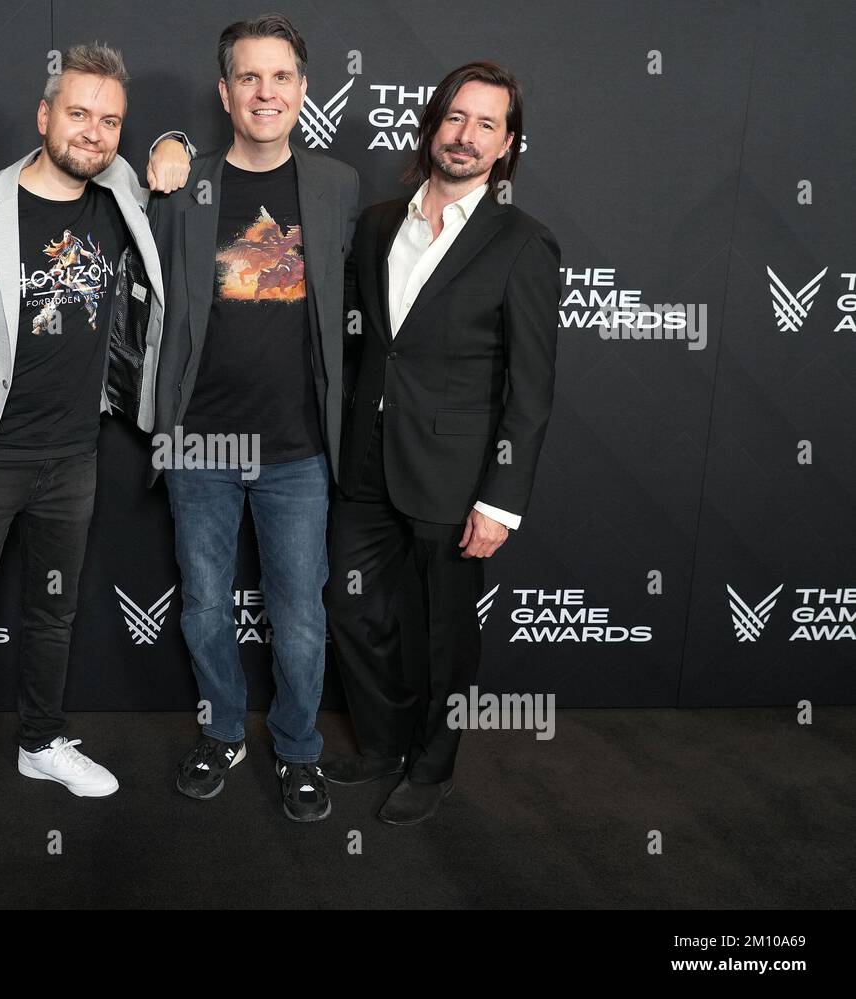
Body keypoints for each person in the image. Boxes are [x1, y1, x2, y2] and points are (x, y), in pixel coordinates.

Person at [0, 43, 192, 876]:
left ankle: (41, 741)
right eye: (78, 113)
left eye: (111, 121)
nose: (94, 132)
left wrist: (178, 147)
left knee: (53, 615)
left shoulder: (120, 185)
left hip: (74, 459)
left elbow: (174, 161)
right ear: (44, 116)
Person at [324, 61, 561, 824]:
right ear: (432, 125)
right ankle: (384, 744)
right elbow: (369, 345)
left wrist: (502, 500)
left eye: (486, 124)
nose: (465, 136)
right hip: (364, 461)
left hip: (458, 478)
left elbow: (531, 388)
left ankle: (432, 765)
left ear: (506, 145)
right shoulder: (377, 224)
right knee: (353, 610)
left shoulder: (522, 244)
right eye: (456, 118)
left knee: (442, 637)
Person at [147, 14, 359, 822]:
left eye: (281, 77)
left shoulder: (337, 185)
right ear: (225, 92)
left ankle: (299, 750)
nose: (265, 91)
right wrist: (165, 142)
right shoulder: (184, 184)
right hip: (198, 441)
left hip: (299, 447)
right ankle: (224, 732)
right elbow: (110, 203)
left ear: (302, 90)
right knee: (204, 604)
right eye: (249, 77)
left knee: (300, 613)